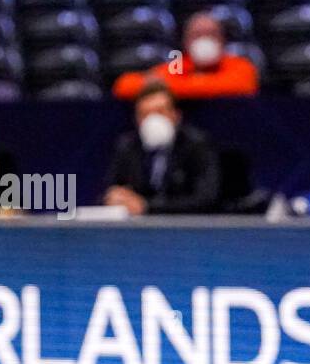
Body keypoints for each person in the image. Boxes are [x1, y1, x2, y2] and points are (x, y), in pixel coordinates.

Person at [103, 79, 220, 215]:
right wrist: (115, 198)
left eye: (160, 112)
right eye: (145, 114)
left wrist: (147, 207)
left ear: (176, 115)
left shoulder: (196, 144)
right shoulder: (128, 146)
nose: (153, 120)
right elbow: (110, 190)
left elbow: (206, 199)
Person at [112, 11, 258, 100]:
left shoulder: (240, 65)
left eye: (211, 34)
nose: (204, 40)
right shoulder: (179, 66)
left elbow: (241, 86)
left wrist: (172, 88)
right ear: (186, 42)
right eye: (197, 35)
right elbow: (124, 86)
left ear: (223, 40)